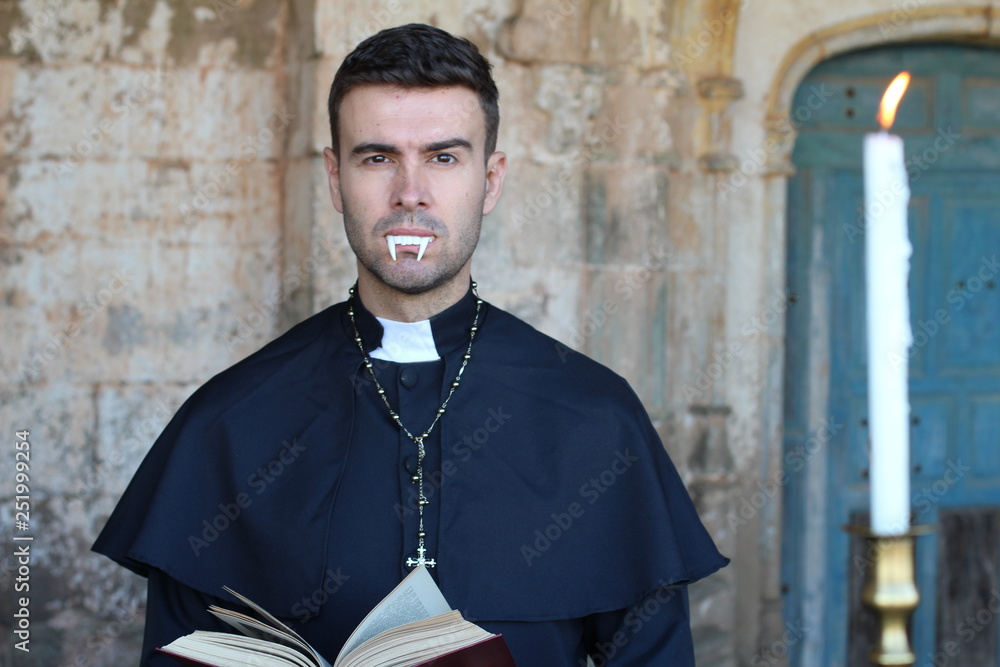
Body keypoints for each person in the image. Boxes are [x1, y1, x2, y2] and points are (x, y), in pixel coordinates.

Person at [93, 23, 728, 666]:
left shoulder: (596, 417)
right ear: (336, 179)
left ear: (492, 179)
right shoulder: (227, 422)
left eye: (443, 157)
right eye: (378, 158)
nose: (410, 193)